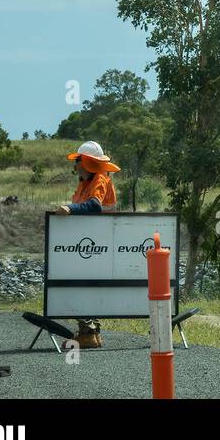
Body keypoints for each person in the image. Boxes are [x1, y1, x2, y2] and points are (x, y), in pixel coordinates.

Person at [55, 141, 121, 348]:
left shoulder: (100, 179)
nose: (75, 166)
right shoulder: (86, 181)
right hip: (90, 241)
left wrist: (70, 209)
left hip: (97, 242)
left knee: (83, 284)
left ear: (87, 162)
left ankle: (89, 333)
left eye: (78, 161)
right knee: (85, 284)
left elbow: (94, 205)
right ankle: (90, 332)